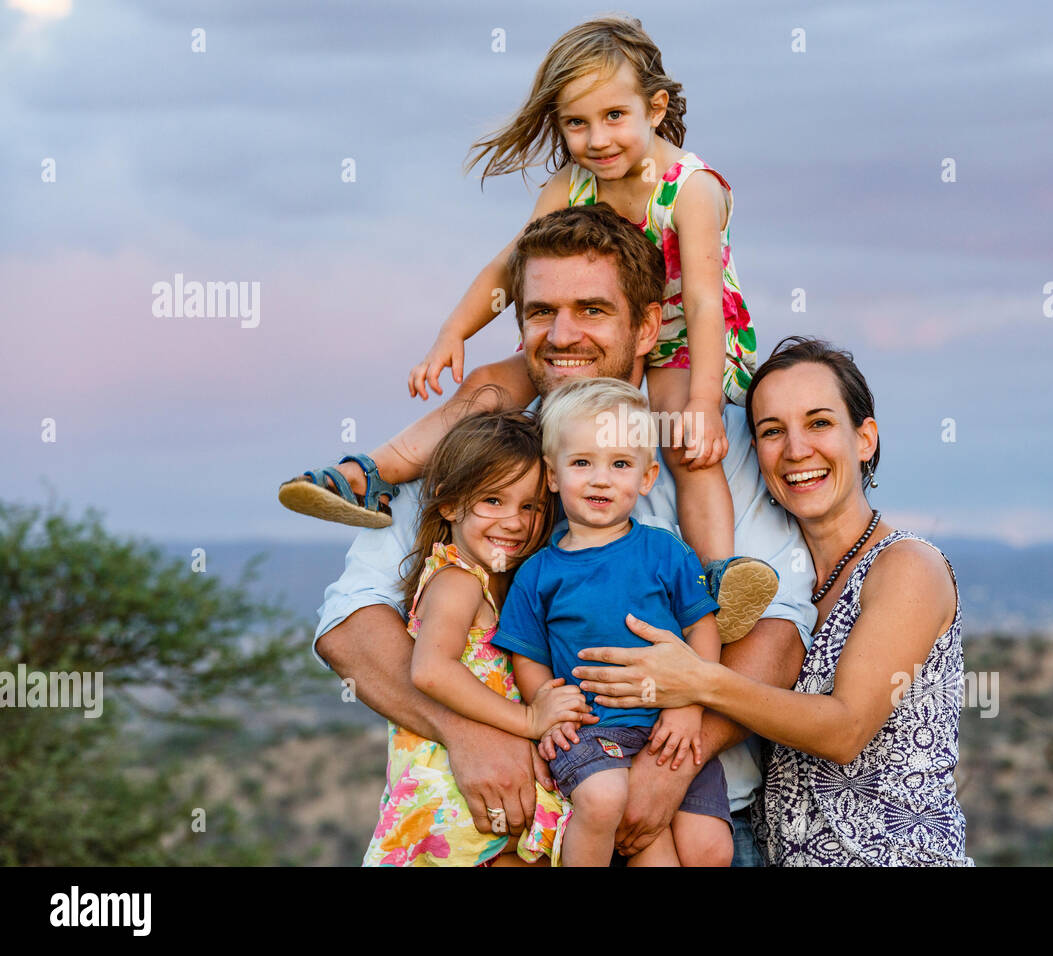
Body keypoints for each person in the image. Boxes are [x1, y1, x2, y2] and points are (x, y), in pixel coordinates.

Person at [313, 205, 816, 866]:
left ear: (644, 328)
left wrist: (676, 758)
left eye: (591, 309)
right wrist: (468, 732)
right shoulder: (478, 448)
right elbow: (348, 623)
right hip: (516, 833)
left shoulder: (714, 445)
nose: (562, 334)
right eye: (540, 312)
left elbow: (778, 632)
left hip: (698, 814)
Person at [279, 15, 774, 644]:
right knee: (489, 382)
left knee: (685, 443)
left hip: (681, 341)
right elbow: (512, 268)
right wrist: (452, 332)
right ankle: (368, 475)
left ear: (655, 107)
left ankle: (713, 577)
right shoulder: (571, 183)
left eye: (614, 116)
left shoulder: (691, 189)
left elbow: (704, 303)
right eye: (576, 122)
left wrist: (705, 399)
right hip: (593, 343)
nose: (597, 138)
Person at [572, 337, 975, 866]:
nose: (796, 449)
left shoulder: (906, 566)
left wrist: (699, 679)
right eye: (771, 431)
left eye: (820, 423)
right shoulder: (797, 578)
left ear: (865, 439)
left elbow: (845, 729)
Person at [493, 378, 732, 866]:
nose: (601, 479)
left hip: (671, 726)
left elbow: (701, 628)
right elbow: (528, 654)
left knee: (711, 848)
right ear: (553, 476)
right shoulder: (538, 571)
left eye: (620, 464)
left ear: (646, 479)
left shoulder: (665, 551)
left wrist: (690, 706)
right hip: (591, 730)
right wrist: (543, 703)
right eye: (582, 463)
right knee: (606, 804)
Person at [363, 408, 594, 866]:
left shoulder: (498, 581)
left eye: (529, 507)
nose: (513, 521)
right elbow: (430, 671)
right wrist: (529, 720)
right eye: (493, 501)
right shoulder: (458, 580)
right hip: (453, 799)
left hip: (481, 799)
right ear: (448, 503)